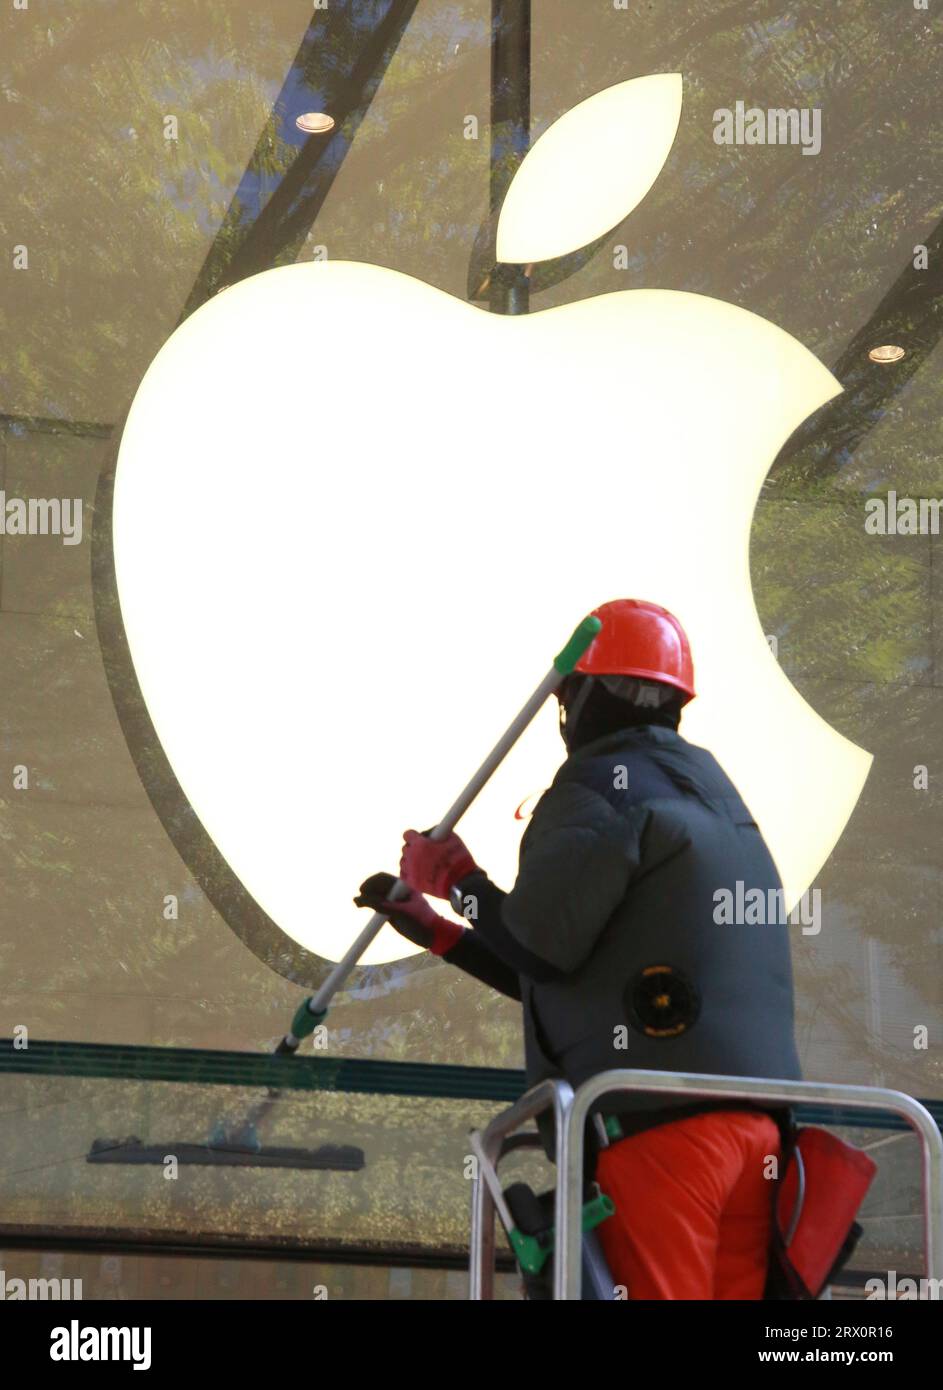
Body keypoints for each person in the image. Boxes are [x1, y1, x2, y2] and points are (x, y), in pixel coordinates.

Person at [355, 598, 802, 1300]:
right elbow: (564, 972)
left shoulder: (599, 785)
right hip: (757, 1136)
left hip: (655, 1133)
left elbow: (538, 945)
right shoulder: (714, 797)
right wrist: (439, 928)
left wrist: (456, 879)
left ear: (579, 696)